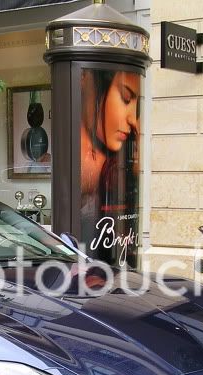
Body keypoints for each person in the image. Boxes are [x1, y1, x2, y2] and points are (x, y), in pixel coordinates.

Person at [79, 69, 141, 265]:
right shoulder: (88, 161)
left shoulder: (113, 167)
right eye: (125, 98)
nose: (133, 119)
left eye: (137, 106)